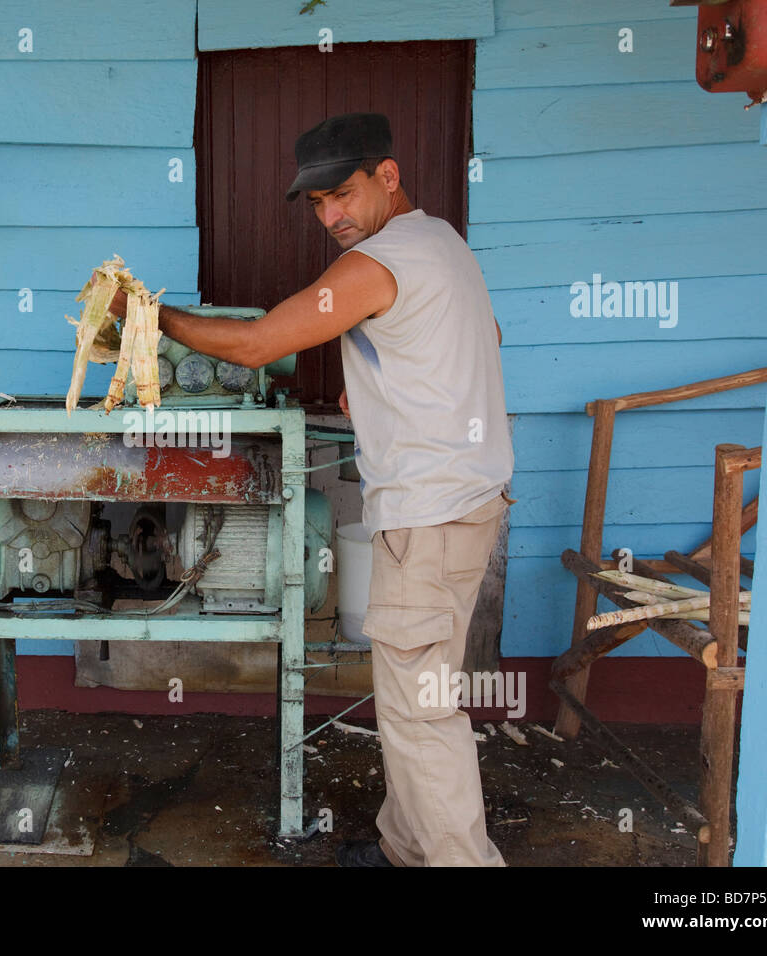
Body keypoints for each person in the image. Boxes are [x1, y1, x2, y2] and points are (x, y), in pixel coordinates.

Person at [108, 112, 513, 867]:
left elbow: (261, 343)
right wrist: (390, 391)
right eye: (318, 204)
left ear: (387, 177)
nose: (332, 217)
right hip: (473, 504)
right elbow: (481, 339)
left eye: (344, 195)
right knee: (410, 703)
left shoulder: (378, 262)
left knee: (424, 720)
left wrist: (150, 315)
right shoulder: (444, 242)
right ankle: (403, 849)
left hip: (427, 519)